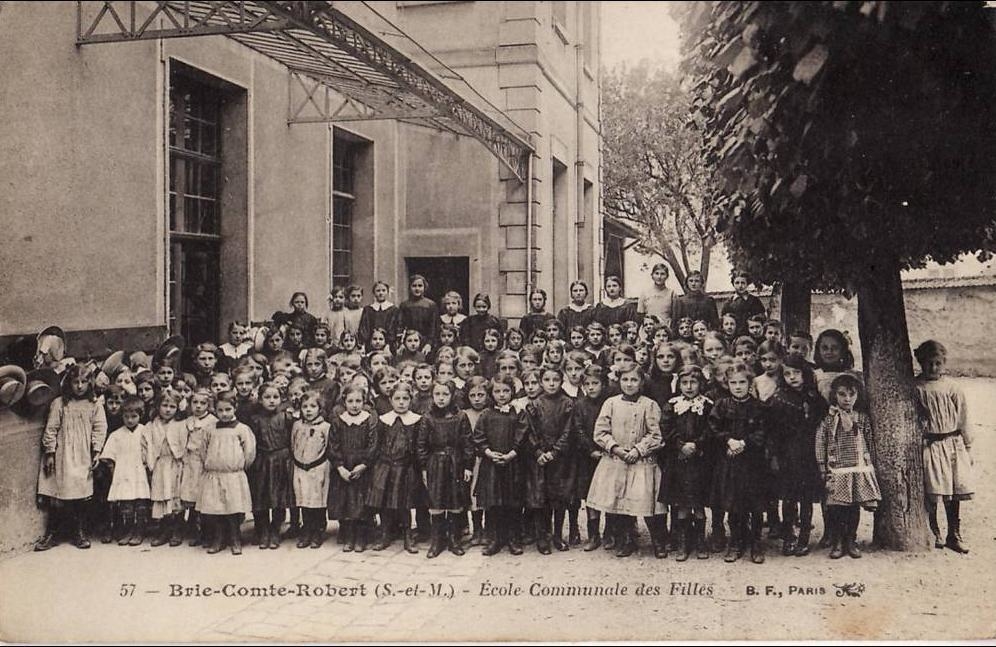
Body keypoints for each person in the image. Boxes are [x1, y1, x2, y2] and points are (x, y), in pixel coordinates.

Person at [585, 367, 666, 558]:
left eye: (634, 380)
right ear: (619, 382)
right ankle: (627, 540)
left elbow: (656, 434)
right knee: (620, 501)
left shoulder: (650, 405)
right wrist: (616, 448)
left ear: (642, 383)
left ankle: (659, 541)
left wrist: (638, 450)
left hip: (641, 461)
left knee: (647, 501)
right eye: (625, 380)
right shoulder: (611, 403)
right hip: (616, 460)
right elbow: (600, 432)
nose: (629, 384)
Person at [913, 340, 973, 554]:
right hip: (931, 444)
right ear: (920, 362)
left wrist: (967, 445)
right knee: (934, 489)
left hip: (952, 443)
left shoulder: (952, 387)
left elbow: (963, 416)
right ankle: (934, 530)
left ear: (944, 363)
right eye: (928, 363)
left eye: (938, 363)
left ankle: (954, 533)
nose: (933, 368)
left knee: (954, 489)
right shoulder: (916, 387)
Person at [815, 373, 881, 559]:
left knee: (853, 508)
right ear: (834, 395)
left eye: (851, 394)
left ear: (858, 396)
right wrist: (822, 466)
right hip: (837, 469)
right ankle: (837, 541)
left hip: (858, 468)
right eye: (842, 394)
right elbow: (820, 443)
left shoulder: (862, 418)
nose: (847, 399)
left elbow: (869, 441)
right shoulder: (828, 419)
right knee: (836, 507)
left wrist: (872, 464)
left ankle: (851, 540)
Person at [767, 355, 827, 557]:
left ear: (805, 373)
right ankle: (789, 538)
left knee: (807, 498)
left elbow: (821, 422)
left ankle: (804, 538)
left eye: (796, 373)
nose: (792, 377)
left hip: (809, 453)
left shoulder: (814, 397)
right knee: (789, 498)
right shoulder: (779, 398)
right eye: (787, 373)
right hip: (787, 454)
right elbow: (772, 431)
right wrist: (774, 455)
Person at [709, 362, 767, 564]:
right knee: (733, 504)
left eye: (742, 382)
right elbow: (713, 428)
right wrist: (728, 440)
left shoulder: (758, 407)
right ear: (727, 384)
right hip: (730, 462)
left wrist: (744, 442)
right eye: (733, 383)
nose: (738, 386)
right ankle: (736, 541)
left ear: (750, 383)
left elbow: (762, 431)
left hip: (753, 464)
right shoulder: (722, 405)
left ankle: (756, 542)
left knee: (755, 505)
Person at [658, 365, 713, 561]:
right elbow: (666, 428)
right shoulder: (672, 405)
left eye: (693, 382)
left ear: (701, 384)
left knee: (698, 504)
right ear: (679, 384)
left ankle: (700, 541)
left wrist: (696, 445)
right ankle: (682, 542)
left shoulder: (707, 405)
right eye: (685, 382)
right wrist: (680, 445)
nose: (689, 387)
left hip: (699, 461)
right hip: (678, 461)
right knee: (681, 503)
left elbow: (710, 429)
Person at [417, 380, 475, 558]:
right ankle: (437, 541)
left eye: (445, 394)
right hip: (435, 462)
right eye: (437, 394)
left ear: (452, 395)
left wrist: (467, 465)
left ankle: (454, 539)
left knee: (455, 501)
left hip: (455, 462)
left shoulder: (460, 416)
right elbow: (421, 444)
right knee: (436, 501)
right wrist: (424, 467)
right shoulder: (428, 417)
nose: (441, 398)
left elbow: (467, 442)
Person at [472, 375, 528, 556]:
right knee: (493, 503)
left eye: (506, 391)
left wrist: (511, 454)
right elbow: (479, 437)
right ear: (491, 393)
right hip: (492, 465)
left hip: (512, 463)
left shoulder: (518, 413)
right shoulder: (486, 414)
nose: (502, 395)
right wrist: (488, 452)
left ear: (512, 392)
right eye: (497, 391)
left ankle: (513, 538)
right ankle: (495, 539)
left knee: (512, 502)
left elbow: (523, 435)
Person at [523, 367, 577, 554]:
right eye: (547, 379)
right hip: (539, 460)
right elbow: (529, 431)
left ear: (562, 381)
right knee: (541, 498)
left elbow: (568, 431)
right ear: (541, 382)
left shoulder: (568, 403)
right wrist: (538, 452)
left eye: (555, 379)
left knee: (559, 498)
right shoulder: (534, 405)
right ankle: (542, 537)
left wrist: (555, 451)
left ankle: (557, 535)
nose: (551, 383)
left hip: (561, 458)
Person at [367, 383, 426, 554]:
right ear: (390, 400)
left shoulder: (416, 420)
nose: (401, 402)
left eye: (405, 399)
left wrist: (418, 467)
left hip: (406, 467)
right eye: (397, 399)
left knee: (405, 503)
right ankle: (385, 534)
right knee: (385, 502)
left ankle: (408, 536)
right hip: (386, 466)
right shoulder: (384, 420)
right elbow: (376, 444)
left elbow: (418, 444)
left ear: (410, 400)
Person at [197, 390, 256, 555]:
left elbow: (249, 452)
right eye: (220, 410)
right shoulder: (209, 430)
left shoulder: (242, 429)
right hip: (214, 474)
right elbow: (203, 450)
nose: (224, 414)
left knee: (233, 508)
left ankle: (235, 538)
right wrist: (212, 465)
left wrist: (238, 467)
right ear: (214, 410)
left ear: (235, 408)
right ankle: (219, 538)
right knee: (217, 508)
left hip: (233, 475)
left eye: (228, 410)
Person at [328, 384, 379, 553]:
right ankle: (348, 536)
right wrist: (340, 467)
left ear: (364, 401)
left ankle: (361, 537)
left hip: (362, 469)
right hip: (344, 468)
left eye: (358, 401)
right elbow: (333, 446)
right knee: (346, 503)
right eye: (350, 401)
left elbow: (373, 445)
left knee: (362, 504)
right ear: (344, 402)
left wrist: (364, 464)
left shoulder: (369, 419)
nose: (355, 404)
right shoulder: (338, 421)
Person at [97, 396, 150, 547]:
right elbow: (108, 457)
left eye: (134, 417)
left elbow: (151, 451)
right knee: (126, 504)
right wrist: (114, 472)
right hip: (124, 473)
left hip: (140, 472)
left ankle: (139, 530)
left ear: (141, 415)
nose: (130, 420)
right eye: (126, 417)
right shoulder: (116, 434)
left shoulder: (145, 431)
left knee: (140, 502)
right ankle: (128, 529)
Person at [247, 383, 293, 550]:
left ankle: (275, 530)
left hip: (280, 461)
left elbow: (291, 439)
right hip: (262, 461)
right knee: (261, 496)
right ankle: (263, 530)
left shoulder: (286, 418)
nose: (272, 401)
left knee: (278, 498)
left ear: (281, 399)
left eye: (275, 397)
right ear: (260, 400)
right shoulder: (255, 420)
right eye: (267, 397)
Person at [573, 364, 610, 551]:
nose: (591, 387)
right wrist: (590, 450)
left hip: (609, 454)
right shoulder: (579, 405)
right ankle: (593, 534)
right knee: (590, 495)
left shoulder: (610, 402)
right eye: (587, 384)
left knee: (610, 492)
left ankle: (612, 532)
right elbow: (578, 430)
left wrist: (607, 449)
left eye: (595, 383)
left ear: (603, 384)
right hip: (587, 457)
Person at [145, 390, 187, 548]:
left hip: (176, 464)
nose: (168, 410)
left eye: (172, 406)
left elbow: (185, 444)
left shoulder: (181, 425)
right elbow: (146, 445)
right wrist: (148, 462)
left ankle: (177, 529)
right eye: (164, 405)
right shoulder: (151, 426)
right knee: (162, 496)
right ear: (158, 406)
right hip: (160, 464)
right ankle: (164, 530)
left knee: (176, 496)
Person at [291, 391, 331, 549]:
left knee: (317, 501)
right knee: (304, 500)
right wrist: (299, 462)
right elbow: (292, 444)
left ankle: (317, 531)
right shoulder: (297, 425)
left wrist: (317, 463)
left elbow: (328, 447)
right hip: (300, 468)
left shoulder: (325, 427)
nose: (308, 410)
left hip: (318, 468)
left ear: (320, 409)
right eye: (305, 406)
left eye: (313, 406)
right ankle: (306, 530)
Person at [179, 388, 217, 546]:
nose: (199, 406)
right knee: (190, 494)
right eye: (195, 402)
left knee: (204, 495)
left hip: (204, 462)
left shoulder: (212, 422)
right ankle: (192, 528)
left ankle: (207, 532)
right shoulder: (188, 421)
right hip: (190, 461)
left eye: (203, 403)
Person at [398, 275, 438, 356]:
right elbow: (400, 325)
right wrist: (401, 343)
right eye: (414, 286)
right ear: (410, 287)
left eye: (420, 286)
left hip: (425, 342)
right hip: (409, 342)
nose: (417, 288)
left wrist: (429, 344)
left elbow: (433, 326)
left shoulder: (431, 305)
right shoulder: (404, 305)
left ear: (424, 287)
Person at [813, 329, 858, 401]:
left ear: (842, 350)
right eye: (825, 348)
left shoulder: (852, 375)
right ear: (818, 350)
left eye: (835, 348)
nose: (829, 351)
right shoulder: (814, 375)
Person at [721, 271, 766, 337]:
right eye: (737, 283)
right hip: (733, 336)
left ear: (747, 284)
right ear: (733, 284)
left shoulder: (754, 301)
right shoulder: (728, 303)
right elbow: (724, 321)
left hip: (752, 335)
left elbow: (762, 319)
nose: (740, 286)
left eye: (743, 283)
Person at [358, 281, 399, 352]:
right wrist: (363, 344)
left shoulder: (393, 309)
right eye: (378, 290)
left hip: (388, 346)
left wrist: (389, 343)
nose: (381, 293)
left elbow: (393, 327)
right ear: (374, 293)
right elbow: (364, 327)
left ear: (387, 292)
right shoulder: (368, 309)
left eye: (383, 290)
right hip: (370, 345)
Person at [637, 263, 676, 331]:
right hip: (649, 329)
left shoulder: (672, 293)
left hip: (665, 330)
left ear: (667, 276)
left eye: (662, 274)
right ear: (652, 275)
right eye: (656, 273)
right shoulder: (645, 293)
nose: (659, 277)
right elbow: (640, 315)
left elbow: (675, 316)